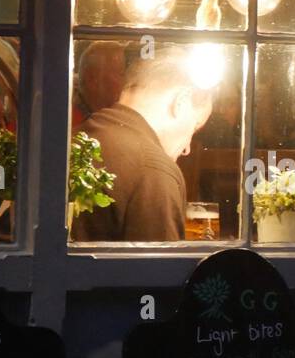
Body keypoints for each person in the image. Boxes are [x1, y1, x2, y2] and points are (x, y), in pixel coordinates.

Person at [74, 47, 214, 241]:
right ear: (180, 101)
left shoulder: (78, 137)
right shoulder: (154, 170)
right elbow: (160, 270)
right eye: (194, 127)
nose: (187, 148)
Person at [72, 40, 127, 130]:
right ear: (92, 80)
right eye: (120, 73)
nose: (125, 82)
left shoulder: (108, 117)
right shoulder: (73, 124)